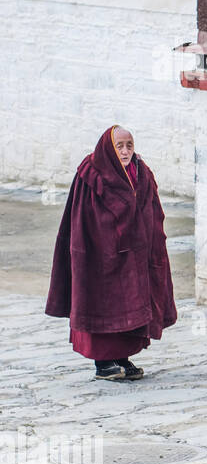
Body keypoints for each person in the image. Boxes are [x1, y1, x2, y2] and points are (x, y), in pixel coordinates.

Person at [46, 125, 177, 380]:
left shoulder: (141, 172)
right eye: (120, 146)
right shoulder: (91, 173)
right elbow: (82, 217)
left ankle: (121, 357)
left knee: (131, 304)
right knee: (102, 303)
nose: (126, 151)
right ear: (109, 147)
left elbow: (152, 207)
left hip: (134, 254)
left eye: (130, 145)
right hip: (100, 254)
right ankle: (103, 362)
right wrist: (101, 245)